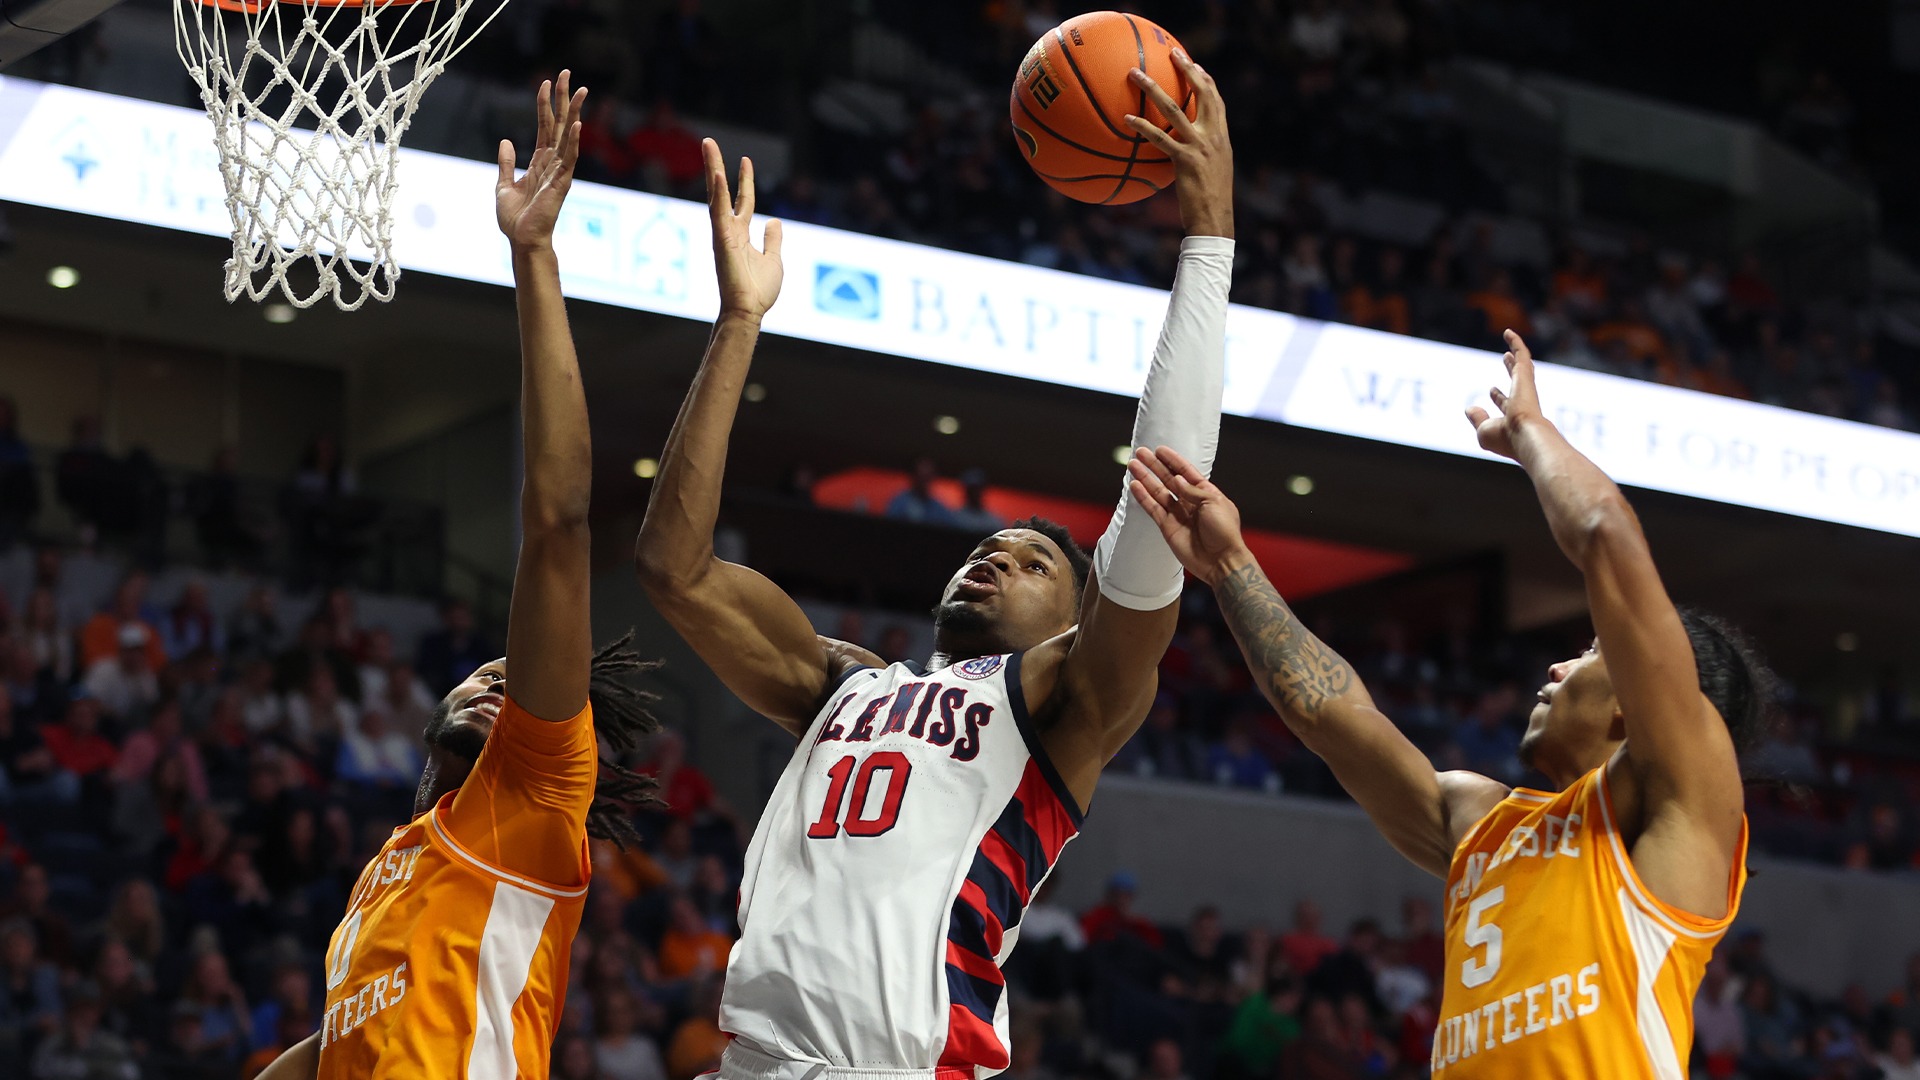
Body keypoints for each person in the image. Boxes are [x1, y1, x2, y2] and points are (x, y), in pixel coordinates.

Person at [634, 51, 1234, 1080]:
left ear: (1072, 615)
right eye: (989, 545)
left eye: (1036, 559)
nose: (996, 554)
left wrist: (1208, 240)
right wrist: (739, 324)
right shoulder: (846, 685)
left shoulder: (1063, 699)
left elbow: (1159, 507)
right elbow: (674, 568)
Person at [1123, 329, 1773, 1077]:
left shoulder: (1683, 803)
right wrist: (1231, 565)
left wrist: (1530, 433)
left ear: (1641, 696)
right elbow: (1331, 719)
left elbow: (1605, 535)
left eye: (1593, 652)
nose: (1558, 666)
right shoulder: (1481, 822)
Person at [250, 72, 665, 1080]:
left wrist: (533, 257)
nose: (493, 680)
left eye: (509, 676)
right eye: (479, 671)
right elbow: (330, 1049)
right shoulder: (396, 862)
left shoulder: (535, 787)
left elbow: (558, 523)